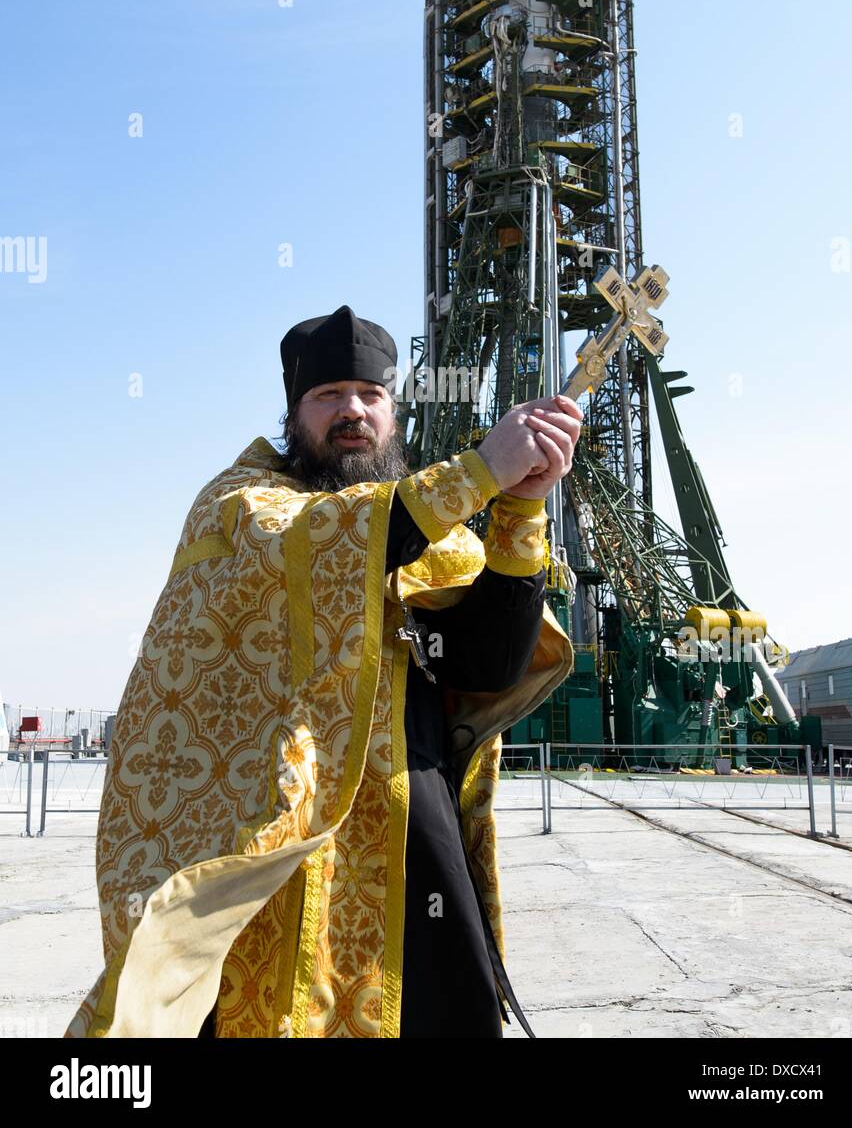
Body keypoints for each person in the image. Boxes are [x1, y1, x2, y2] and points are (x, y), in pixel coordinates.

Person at [64, 305, 580, 1039]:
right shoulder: (239, 505)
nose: (352, 411)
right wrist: (478, 472)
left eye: (370, 396)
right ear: (292, 412)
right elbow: (323, 539)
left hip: (414, 834)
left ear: (393, 413)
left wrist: (519, 510)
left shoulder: (430, 529)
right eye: (328, 394)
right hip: (274, 832)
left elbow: (485, 665)